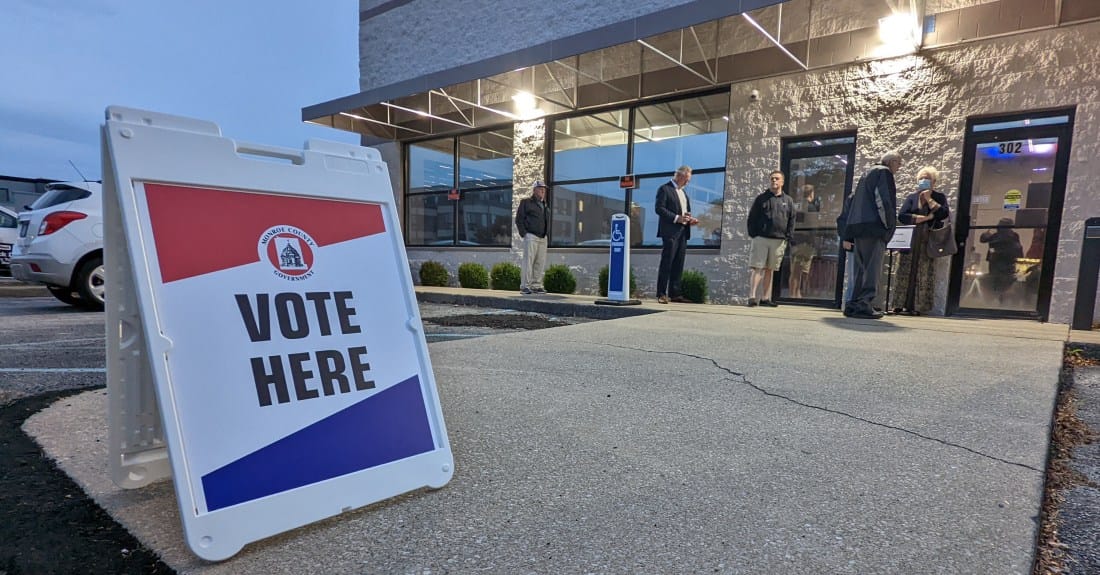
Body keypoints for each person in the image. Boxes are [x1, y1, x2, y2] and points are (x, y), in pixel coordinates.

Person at [838, 151, 901, 319]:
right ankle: (864, 304)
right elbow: (884, 200)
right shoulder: (883, 172)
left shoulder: (866, 174)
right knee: (872, 269)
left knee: (860, 269)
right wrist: (889, 227)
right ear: (892, 161)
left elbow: (853, 203)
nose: (899, 168)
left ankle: (853, 304)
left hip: (859, 228)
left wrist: (848, 232)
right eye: (899, 164)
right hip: (873, 228)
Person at [891, 166, 950, 315]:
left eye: (927, 178)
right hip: (910, 239)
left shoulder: (939, 197)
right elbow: (903, 215)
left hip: (927, 240)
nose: (923, 181)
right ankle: (899, 304)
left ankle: (917, 306)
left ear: (934, 181)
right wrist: (923, 218)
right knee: (904, 270)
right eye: (921, 178)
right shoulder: (912, 197)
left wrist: (929, 199)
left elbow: (943, 214)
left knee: (923, 271)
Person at [746, 170, 795, 307]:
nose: (774, 181)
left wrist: (788, 237)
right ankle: (752, 297)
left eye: (777, 179)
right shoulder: (761, 198)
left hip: (779, 240)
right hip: (761, 239)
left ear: (782, 182)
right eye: (772, 179)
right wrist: (753, 234)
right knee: (758, 268)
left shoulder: (788, 201)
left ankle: (765, 298)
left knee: (770, 269)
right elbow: (752, 218)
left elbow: (792, 220)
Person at [654, 166, 697, 304]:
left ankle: (675, 293)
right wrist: (677, 218)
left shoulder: (684, 194)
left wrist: (690, 219)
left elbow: (685, 212)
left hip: (683, 232)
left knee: (679, 263)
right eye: (686, 180)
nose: (687, 183)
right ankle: (661, 294)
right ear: (679, 176)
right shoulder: (664, 189)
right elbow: (659, 209)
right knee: (667, 262)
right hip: (670, 232)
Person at [515, 180, 550, 294]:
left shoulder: (544, 205)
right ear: (534, 190)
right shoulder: (526, 202)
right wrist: (524, 233)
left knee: (540, 262)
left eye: (544, 189)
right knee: (528, 261)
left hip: (543, 237)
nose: (543, 191)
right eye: (540, 188)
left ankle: (536, 285)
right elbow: (519, 219)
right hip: (531, 235)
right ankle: (525, 286)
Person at [980, 217, 1024, 303]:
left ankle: (999, 297)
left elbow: (1018, 248)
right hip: (1001, 261)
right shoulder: (1006, 235)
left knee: (1000, 280)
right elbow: (1018, 249)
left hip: (1003, 261)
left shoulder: (1004, 235)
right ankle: (998, 297)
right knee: (1000, 280)